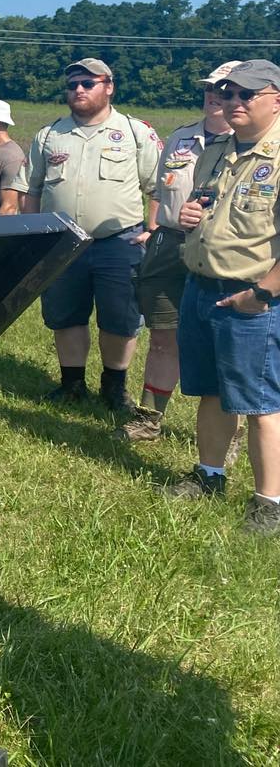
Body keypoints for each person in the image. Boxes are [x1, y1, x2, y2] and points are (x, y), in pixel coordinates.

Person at [164, 59, 280, 537]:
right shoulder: (218, 150)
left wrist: (263, 294)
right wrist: (191, 214)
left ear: (276, 98)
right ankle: (209, 474)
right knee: (210, 392)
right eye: (227, 94)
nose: (232, 102)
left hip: (251, 298)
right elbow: (209, 204)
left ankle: (269, 502)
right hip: (202, 288)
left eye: (245, 95)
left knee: (260, 403)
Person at [14, 59, 161, 422]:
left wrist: (153, 228)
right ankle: (72, 384)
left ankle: (114, 386)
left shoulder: (134, 132)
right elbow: (29, 189)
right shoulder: (50, 135)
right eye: (72, 84)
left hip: (119, 241)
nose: (78, 90)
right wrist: (34, 234)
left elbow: (158, 186)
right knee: (65, 317)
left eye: (88, 83)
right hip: (62, 243)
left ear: (109, 86)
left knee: (120, 319)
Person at [124, 63, 238, 441]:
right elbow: (160, 191)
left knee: (224, 340)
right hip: (171, 244)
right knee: (162, 335)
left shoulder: (252, 146)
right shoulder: (181, 138)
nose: (214, 94)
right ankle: (149, 418)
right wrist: (153, 228)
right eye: (210, 87)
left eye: (225, 88)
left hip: (223, 251)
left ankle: (231, 431)